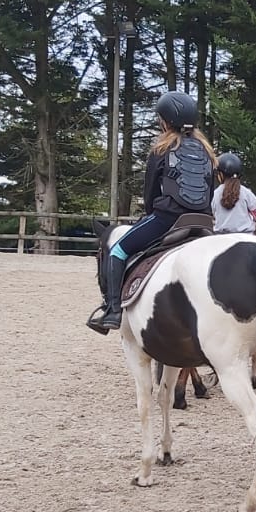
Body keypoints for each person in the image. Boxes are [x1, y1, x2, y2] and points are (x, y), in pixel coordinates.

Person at [86, 91, 217, 334]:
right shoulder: (207, 152)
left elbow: (150, 194)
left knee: (118, 250)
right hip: (204, 221)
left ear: (164, 121)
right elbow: (210, 190)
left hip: (169, 219)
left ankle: (113, 310)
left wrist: (151, 215)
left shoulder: (161, 150)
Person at [211, 152, 256, 239]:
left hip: (221, 239)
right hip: (246, 238)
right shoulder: (246, 193)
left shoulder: (215, 194)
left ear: (221, 174)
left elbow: (212, 216)